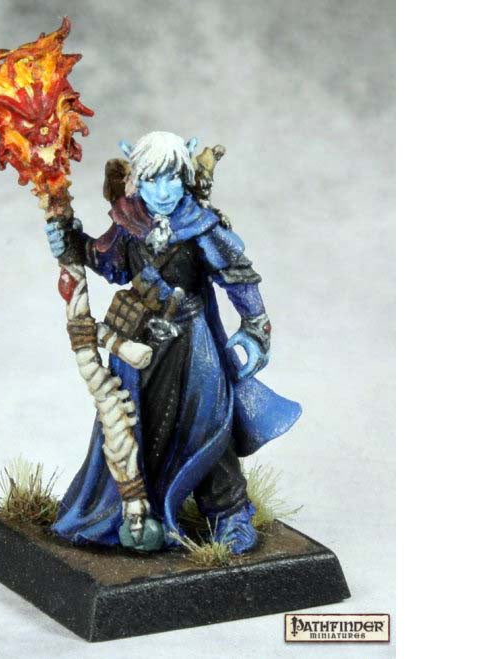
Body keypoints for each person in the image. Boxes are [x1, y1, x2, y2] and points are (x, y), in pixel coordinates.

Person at [45, 131, 301, 554]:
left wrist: (256, 326)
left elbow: (237, 274)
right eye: (152, 180)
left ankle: (230, 515)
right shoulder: (129, 222)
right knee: (132, 426)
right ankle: (134, 513)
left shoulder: (200, 226)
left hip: (192, 345)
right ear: (137, 180)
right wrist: (71, 239)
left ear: (185, 178)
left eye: (172, 179)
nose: (163, 192)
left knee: (208, 424)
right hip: (138, 346)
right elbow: (110, 264)